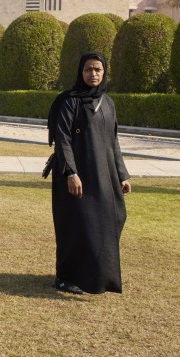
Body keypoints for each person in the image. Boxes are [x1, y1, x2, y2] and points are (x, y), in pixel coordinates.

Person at [46, 52, 131, 294]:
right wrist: (71, 173)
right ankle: (66, 277)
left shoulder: (108, 103)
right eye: (87, 70)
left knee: (108, 220)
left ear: (104, 73)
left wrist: (122, 174)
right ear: (80, 72)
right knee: (75, 225)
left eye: (97, 70)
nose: (92, 74)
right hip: (74, 176)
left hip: (102, 175)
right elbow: (62, 139)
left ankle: (95, 275)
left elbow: (113, 142)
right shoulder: (68, 101)